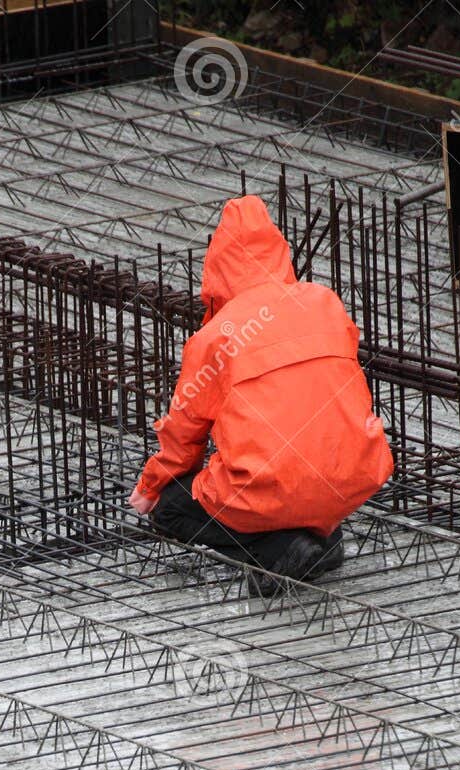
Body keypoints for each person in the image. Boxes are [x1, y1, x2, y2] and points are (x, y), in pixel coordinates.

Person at [129, 196, 393, 594]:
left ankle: (281, 548)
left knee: (171, 511)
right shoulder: (326, 304)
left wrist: (150, 489)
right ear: (280, 256)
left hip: (270, 486)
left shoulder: (216, 337)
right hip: (354, 474)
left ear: (217, 272)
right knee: (296, 472)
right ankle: (323, 537)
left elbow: (183, 438)